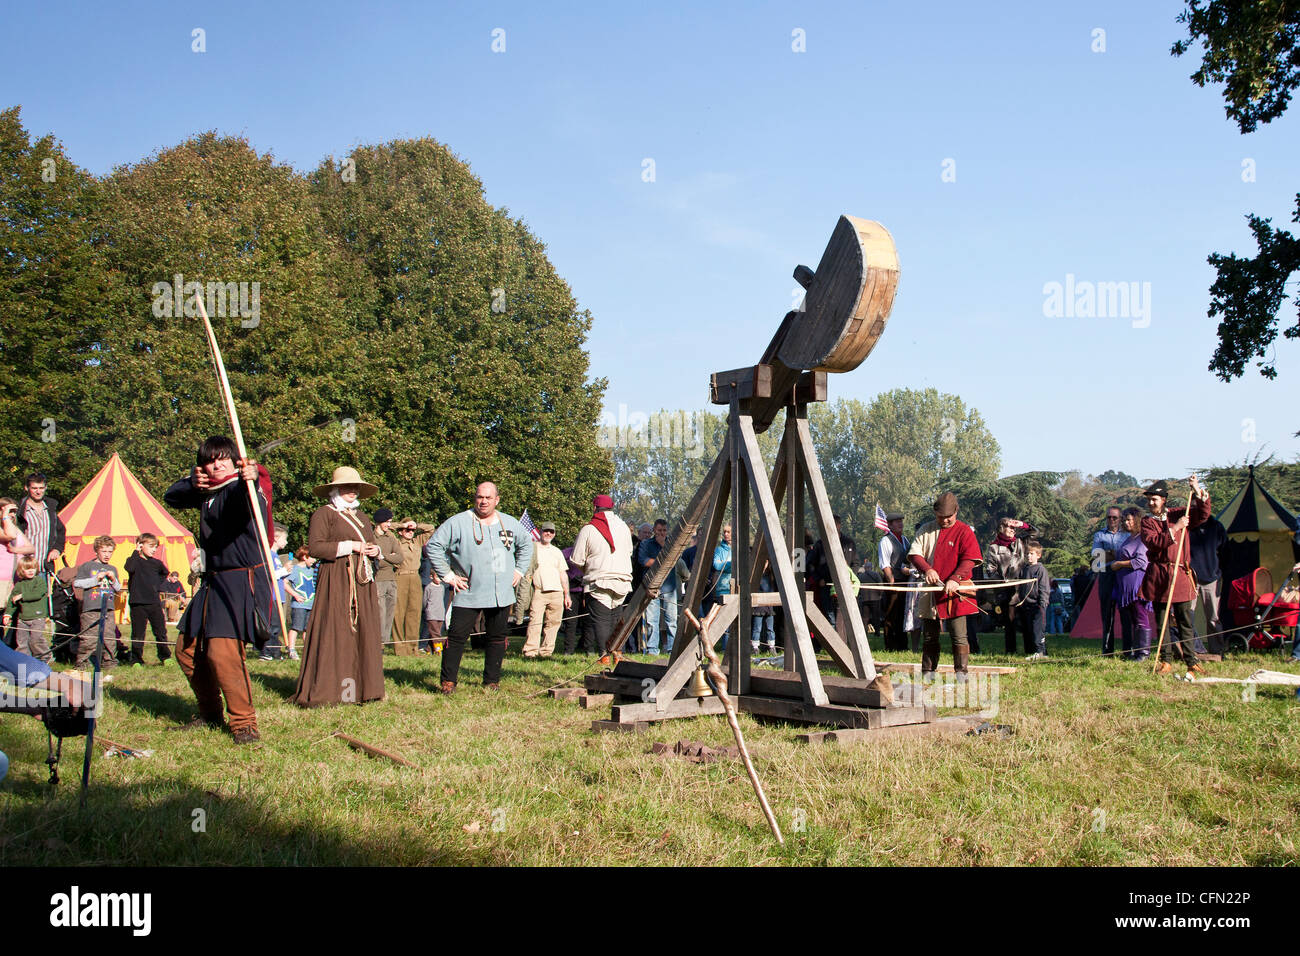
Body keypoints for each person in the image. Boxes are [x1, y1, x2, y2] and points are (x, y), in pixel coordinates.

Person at [163, 438, 273, 742]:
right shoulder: (206, 493)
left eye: (224, 459)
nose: (217, 465)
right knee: (185, 650)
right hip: (213, 581)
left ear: (235, 461)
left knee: (223, 653)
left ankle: (244, 724)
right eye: (210, 461)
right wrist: (194, 479)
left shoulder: (243, 490)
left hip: (240, 582)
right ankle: (210, 713)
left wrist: (249, 478)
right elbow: (171, 495)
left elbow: (247, 499)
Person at [426, 481, 533, 692]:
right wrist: (447, 575)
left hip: (501, 594)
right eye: (479, 497)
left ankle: (491, 681)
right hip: (469, 592)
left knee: (496, 638)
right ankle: (448, 682)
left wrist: (519, 570)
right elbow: (434, 546)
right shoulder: (458, 522)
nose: (483, 501)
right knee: (456, 638)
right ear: (475, 498)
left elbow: (527, 544)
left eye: (488, 498)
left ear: (497, 500)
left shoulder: (510, 523)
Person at [292, 467, 385, 708]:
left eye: (356, 487)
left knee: (363, 630)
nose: (353, 491)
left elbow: (372, 544)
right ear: (335, 489)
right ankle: (332, 691)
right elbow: (316, 548)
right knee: (337, 630)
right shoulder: (324, 514)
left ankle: (362, 690)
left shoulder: (362, 517)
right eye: (347, 487)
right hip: (336, 579)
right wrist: (351, 546)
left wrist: (375, 551)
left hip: (362, 581)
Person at [1140, 477, 1210, 676]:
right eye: (1149, 499)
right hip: (1160, 575)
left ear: (1164, 499)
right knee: (1162, 622)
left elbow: (1203, 514)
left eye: (1155, 499)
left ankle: (1191, 660)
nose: (1151, 503)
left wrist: (1196, 490)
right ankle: (1166, 661)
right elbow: (1153, 542)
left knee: (1185, 620)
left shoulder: (1179, 513)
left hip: (1180, 574)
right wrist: (1176, 528)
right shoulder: (1147, 522)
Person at [908, 492, 981, 680]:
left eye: (949, 517)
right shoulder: (926, 530)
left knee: (959, 635)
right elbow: (915, 554)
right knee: (930, 635)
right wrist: (927, 569)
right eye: (941, 517)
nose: (945, 521)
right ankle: (928, 673)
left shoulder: (965, 531)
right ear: (935, 514)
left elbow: (970, 559)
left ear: (956, 511)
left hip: (958, 589)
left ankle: (961, 673)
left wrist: (956, 578)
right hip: (931, 590)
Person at [568, 493, 633, 661]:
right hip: (623, 580)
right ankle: (617, 653)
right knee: (616, 618)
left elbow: (576, 558)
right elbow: (629, 552)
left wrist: (588, 569)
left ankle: (604, 655)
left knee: (601, 619)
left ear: (594, 508)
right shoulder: (624, 527)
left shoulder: (589, 529)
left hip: (599, 580)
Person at [1108, 506, 1152, 660]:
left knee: (1140, 617)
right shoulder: (1129, 538)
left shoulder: (1142, 538)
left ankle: (1144, 653)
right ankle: (1135, 651)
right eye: (1124, 520)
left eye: (1129, 520)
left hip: (1136, 584)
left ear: (1137, 520)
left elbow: (1141, 561)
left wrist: (1119, 564)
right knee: (1133, 619)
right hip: (1124, 585)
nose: (1126, 523)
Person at [72, 535, 121, 670]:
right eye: (104, 551)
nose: (107, 555)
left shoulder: (113, 568)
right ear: (96, 551)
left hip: (108, 608)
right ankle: (82, 662)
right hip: (91, 608)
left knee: (109, 637)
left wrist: (112, 579)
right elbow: (77, 583)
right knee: (89, 637)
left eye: (110, 551)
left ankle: (109, 662)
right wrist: (95, 579)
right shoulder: (88, 566)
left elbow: (117, 588)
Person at [522, 522, 570, 658]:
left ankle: (546, 652)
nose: (548, 533)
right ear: (540, 532)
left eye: (551, 531)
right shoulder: (532, 549)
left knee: (553, 624)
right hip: (539, 591)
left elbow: (563, 574)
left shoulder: (557, 552)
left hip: (557, 592)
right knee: (535, 622)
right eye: (546, 531)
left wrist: (567, 595)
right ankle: (530, 652)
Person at [123, 532, 171, 666]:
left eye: (155, 547)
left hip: (154, 602)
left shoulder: (157, 563)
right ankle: (136, 659)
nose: (154, 549)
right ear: (140, 545)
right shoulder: (134, 560)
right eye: (151, 546)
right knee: (138, 633)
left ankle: (165, 656)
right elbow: (129, 568)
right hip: (138, 603)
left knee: (160, 631)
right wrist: (135, 552)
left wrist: (156, 585)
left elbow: (164, 573)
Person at [390, 518, 436, 656]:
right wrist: (402, 525)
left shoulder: (417, 541)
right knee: (398, 613)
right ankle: (399, 648)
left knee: (414, 613)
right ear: (400, 532)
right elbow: (386, 528)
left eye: (412, 530)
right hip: (400, 576)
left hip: (415, 577)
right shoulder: (395, 542)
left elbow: (431, 528)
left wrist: (417, 525)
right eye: (407, 530)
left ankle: (412, 647)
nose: (410, 532)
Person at [984, 516, 1030, 654]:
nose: (1012, 529)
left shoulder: (1020, 542)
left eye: (1014, 527)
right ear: (1001, 528)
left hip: (1023, 588)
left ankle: (1031, 650)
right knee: (1009, 623)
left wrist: (1021, 524)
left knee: (1026, 621)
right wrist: (1002, 581)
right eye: (1009, 527)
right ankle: (1011, 651)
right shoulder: (994, 547)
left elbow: (1034, 533)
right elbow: (990, 570)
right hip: (1005, 591)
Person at [638, 518, 679, 656]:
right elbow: (644, 561)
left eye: (664, 530)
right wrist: (662, 561)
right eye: (659, 530)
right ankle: (652, 649)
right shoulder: (646, 543)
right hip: (652, 586)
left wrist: (663, 548)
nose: (662, 533)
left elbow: (674, 560)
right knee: (651, 620)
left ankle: (672, 649)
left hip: (669, 586)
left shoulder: (671, 543)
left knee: (672, 620)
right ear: (654, 530)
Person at [1091, 506, 1128, 657]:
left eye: (1114, 517)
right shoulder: (1099, 535)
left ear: (1120, 519)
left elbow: (1130, 554)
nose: (1111, 520)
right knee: (1107, 613)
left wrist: (1111, 554)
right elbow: (1097, 556)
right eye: (1109, 517)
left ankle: (1128, 648)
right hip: (1106, 574)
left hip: (1124, 574)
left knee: (1127, 612)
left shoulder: (1127, 534)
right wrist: (1119, 554)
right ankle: (1107, 650)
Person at [1189, 511, 1228, 655]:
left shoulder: (1216, 527)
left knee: (1213, 618)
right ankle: (1192, 650)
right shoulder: (1188, 527)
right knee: (1188, 616)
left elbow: (1225, 552)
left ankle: (1217, 651)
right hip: (1190, 578)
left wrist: (1218, 572)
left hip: (1211, 578)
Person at [877, 512, 917, 652]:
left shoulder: (904, 540)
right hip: (894, 581)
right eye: (896, 522)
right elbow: (885, 564)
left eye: (901, 521)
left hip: (905, 581)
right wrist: (891, 582)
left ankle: (902, 645)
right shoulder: (886, 541)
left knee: (902, 614)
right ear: (890, 525)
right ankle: (891, 646)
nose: (900, 524)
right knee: (891, 614)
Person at [5, 557, 52, 661]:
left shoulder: (39, 581)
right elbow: (12, 601)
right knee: (22, 642)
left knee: (35, 640)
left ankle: (44, 657)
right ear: (22, 571)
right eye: (27, 569)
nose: (31, 571)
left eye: (33, 568)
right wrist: (8, 614)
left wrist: (22, 596)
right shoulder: (19, 585)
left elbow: (37, 594)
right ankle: (24, 660)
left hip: (37, 617)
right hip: (22, 619)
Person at [370, 507, 402, 651]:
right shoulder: (371, 538)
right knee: (380, 611)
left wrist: (383, 555)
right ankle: (378, 643)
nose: (389, 525)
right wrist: (390, 557)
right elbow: (376, 561)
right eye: (387, 522)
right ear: (379, 522)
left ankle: (384, 641)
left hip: (391, 579)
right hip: (378, 579)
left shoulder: (391, 537)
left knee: (390, 611)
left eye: (390, 522)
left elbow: (400, 558)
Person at [283, 546, 317, 660]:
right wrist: (295, 595)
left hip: (310, 604)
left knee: (308, 629)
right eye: (311, 557)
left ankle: (308, 650)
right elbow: (285, 583)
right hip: (299, 605)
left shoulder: (312, 570)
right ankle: (291, 649)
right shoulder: (296, 569)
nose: (314, 560)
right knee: (296, 627)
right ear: (304, 557)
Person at [1020, 541, 1052, 658]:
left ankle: (1041, 651)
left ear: (1038, 555)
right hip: (1026, 605)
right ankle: (1030, 651)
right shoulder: (1024, 570)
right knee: (1028, 630)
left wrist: (1042, 603)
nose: (1029, 556)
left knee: (1037, 630)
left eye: (1032, 553)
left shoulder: (1040, 570)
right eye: (1027, 553)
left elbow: (1044, 588)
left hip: (1037, 605)